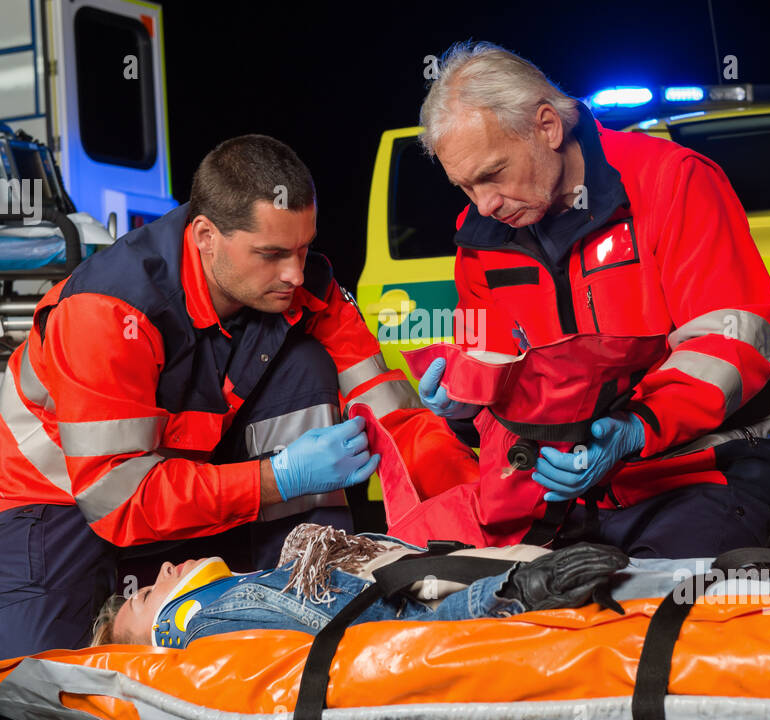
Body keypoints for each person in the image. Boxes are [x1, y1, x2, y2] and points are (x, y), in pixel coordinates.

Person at [0, 135, 478, 657]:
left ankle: (313, 592)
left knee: (304, 364)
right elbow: (120, 500)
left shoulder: (300, 285)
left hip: (183, 477)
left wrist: (469, 541)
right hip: (59, 499)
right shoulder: (108, 313)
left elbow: (391, 415)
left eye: (303, 248)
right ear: (206, 235)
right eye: (272, 254)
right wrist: (280, 477)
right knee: (39, 674)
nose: (295, 273)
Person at [415, 42, 770, 558]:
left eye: (492, 174)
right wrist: (462, 404)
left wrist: (635, 429)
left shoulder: (672, 180)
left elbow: (728, 343)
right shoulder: (479, 235)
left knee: (660, 613)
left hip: (699, 475)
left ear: (547, 126)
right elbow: (493, 364)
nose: (484, 204)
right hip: (567, 496)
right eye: (465, 187)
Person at [90, 534, 629, 647]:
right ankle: (524, 591)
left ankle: (523, 582)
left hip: (389, 589)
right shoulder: (195, 621)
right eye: (142, 597)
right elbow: (374, 636)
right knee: (414, 617)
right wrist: (511, 594)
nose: (161, 568)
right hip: (395, 610)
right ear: (157, 634)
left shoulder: (229, 594)